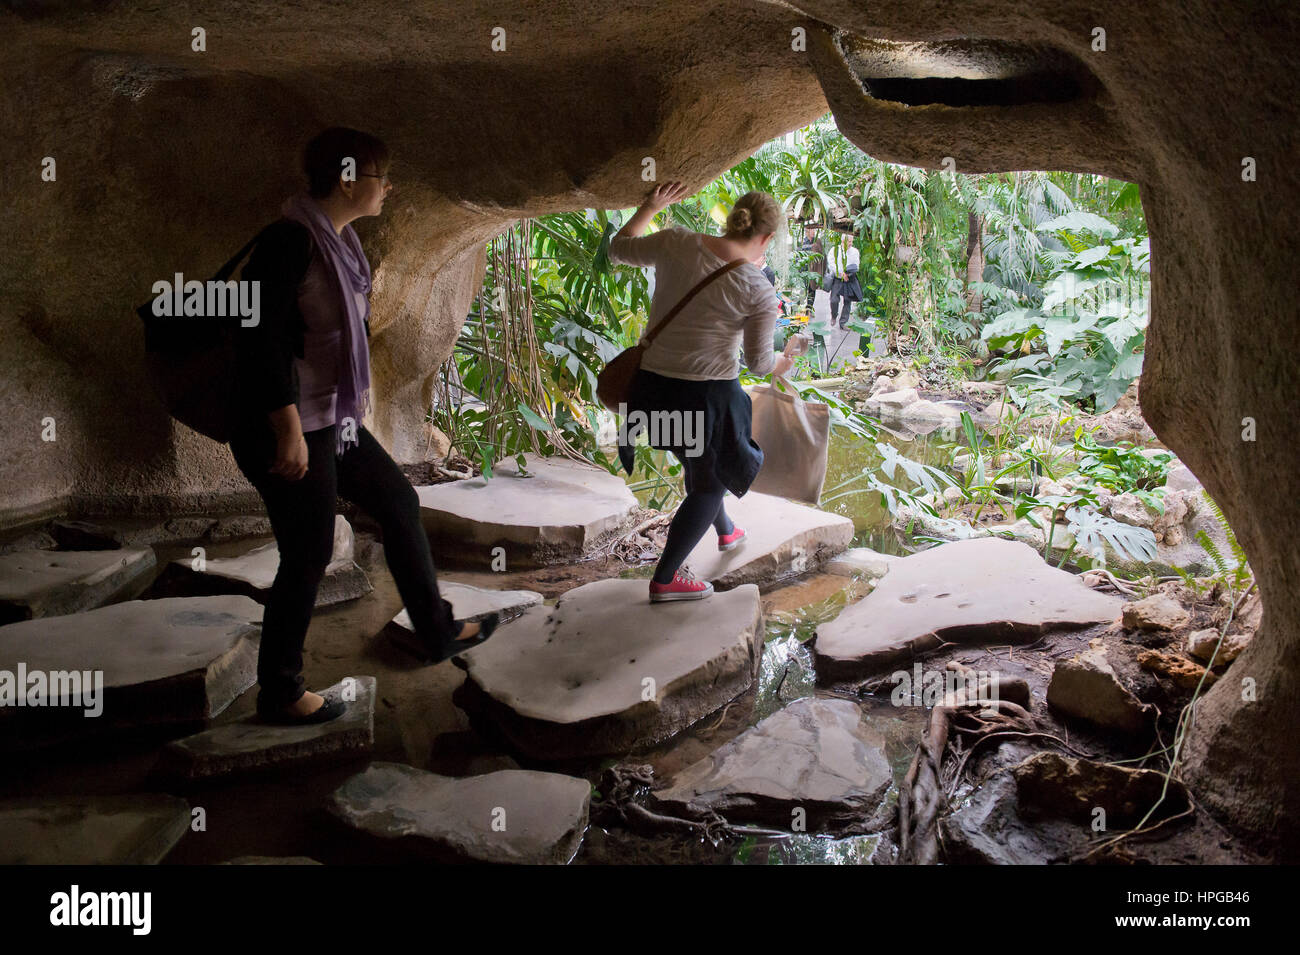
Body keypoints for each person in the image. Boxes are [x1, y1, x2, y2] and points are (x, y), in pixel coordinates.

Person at [228, 127, 499, 726]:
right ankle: (281, 691)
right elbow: (260, 341)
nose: (390, 187)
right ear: (348, 178)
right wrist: (288, 430)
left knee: (398, 500)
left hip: (330, 418)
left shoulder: (341, 247)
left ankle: (436, 629)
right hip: (288, 422)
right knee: (308, 550)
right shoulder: (289, 242)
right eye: (382, 176)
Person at [609, 184, 800, 602]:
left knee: (700, 469)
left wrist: (650, 206)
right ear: (766, 239)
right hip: (704, 401)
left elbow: (618, 249)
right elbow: (757, 364)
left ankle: (727, 532)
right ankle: (666, 579)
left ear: (734, 218)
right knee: (709, 486)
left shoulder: (676, 241)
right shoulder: (757, 287)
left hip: (652, 393)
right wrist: (782, 364)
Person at [827, 232, 863, 328]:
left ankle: (843, 323)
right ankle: (834, 315)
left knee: (848, 301)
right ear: (843, 241)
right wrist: (840, 273)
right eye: (849, 241)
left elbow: (856, 265)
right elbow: (831, 264)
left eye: (851, 241)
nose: (850, 243)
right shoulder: (835, 250)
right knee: (834, 300)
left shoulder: (855, 251)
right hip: (838, 278)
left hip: (849, 279)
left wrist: (848, 274)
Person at [800, 226, 826, 311]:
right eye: (811, 229)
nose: (813, 231)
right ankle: (801, 308)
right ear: (807, 231)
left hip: (814, 271)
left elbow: (823, 256)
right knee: (803, 290)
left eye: (814, 229)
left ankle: (809, 309)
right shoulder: (802, 242)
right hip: (804, 270)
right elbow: (798, 256)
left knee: (812, 289)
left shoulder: (818, 241)